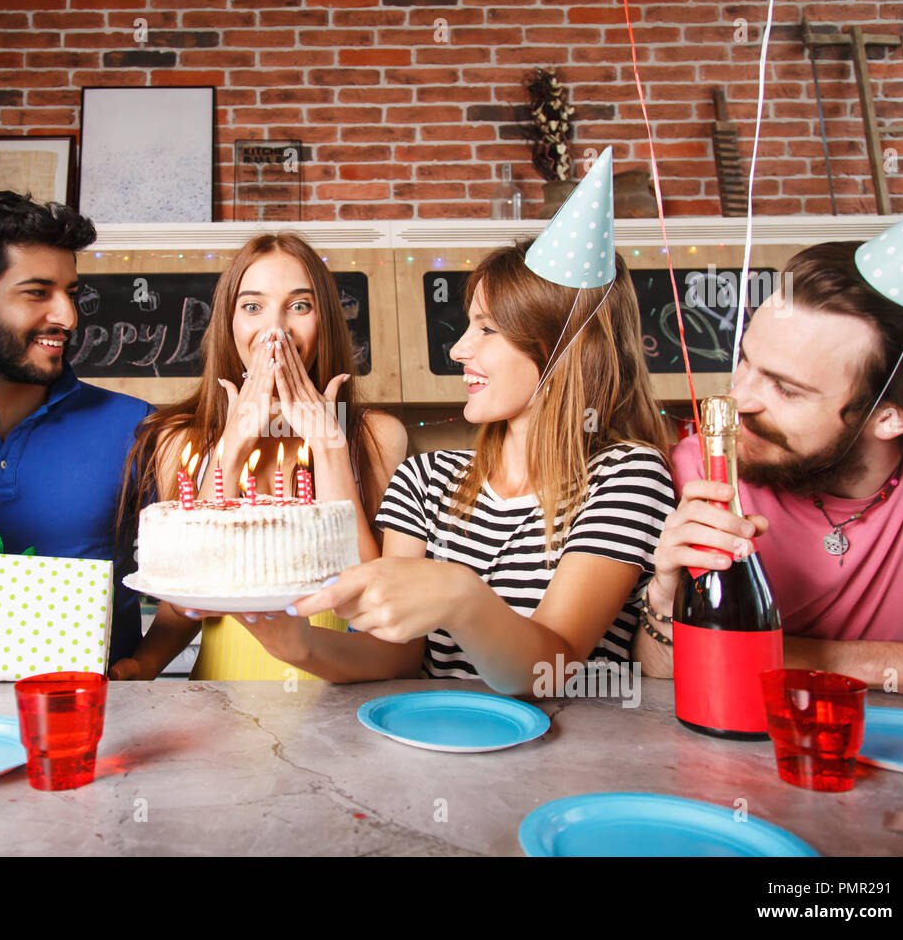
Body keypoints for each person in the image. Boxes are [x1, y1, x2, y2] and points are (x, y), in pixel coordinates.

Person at [239, 239, 679, 693]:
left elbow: (552, 669)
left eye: (487, 330)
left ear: (564, 346)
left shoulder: (627, 476)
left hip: (566, 758)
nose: (458, 350)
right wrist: (298, 646)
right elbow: (396, 658)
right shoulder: (424, 479)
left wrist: (462, 597)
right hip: (435, 752)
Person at [634, 241, 903, 698]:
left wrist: (809, 657)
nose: (740, 400)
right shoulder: (698, 472)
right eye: (744, 360)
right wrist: (664, 595)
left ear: (889, 416)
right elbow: (662, 669)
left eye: (786, 389)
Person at [110, 232, 408, 681]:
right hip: (219, 707)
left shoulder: (376, 436)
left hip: (340, 701)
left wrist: (329, 446)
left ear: (324, 320)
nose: (276, 330)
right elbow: (184, 596)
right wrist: (232, 445)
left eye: (299, 306)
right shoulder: (180, 437)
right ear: (228, 323)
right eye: (253, 307)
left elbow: (372, 600)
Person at [0, 192, 153, 667]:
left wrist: (144, 667)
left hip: (99, 724)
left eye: (71, 293)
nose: (67, 317)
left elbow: (196, 575)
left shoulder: (134, 425)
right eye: (38, 293)